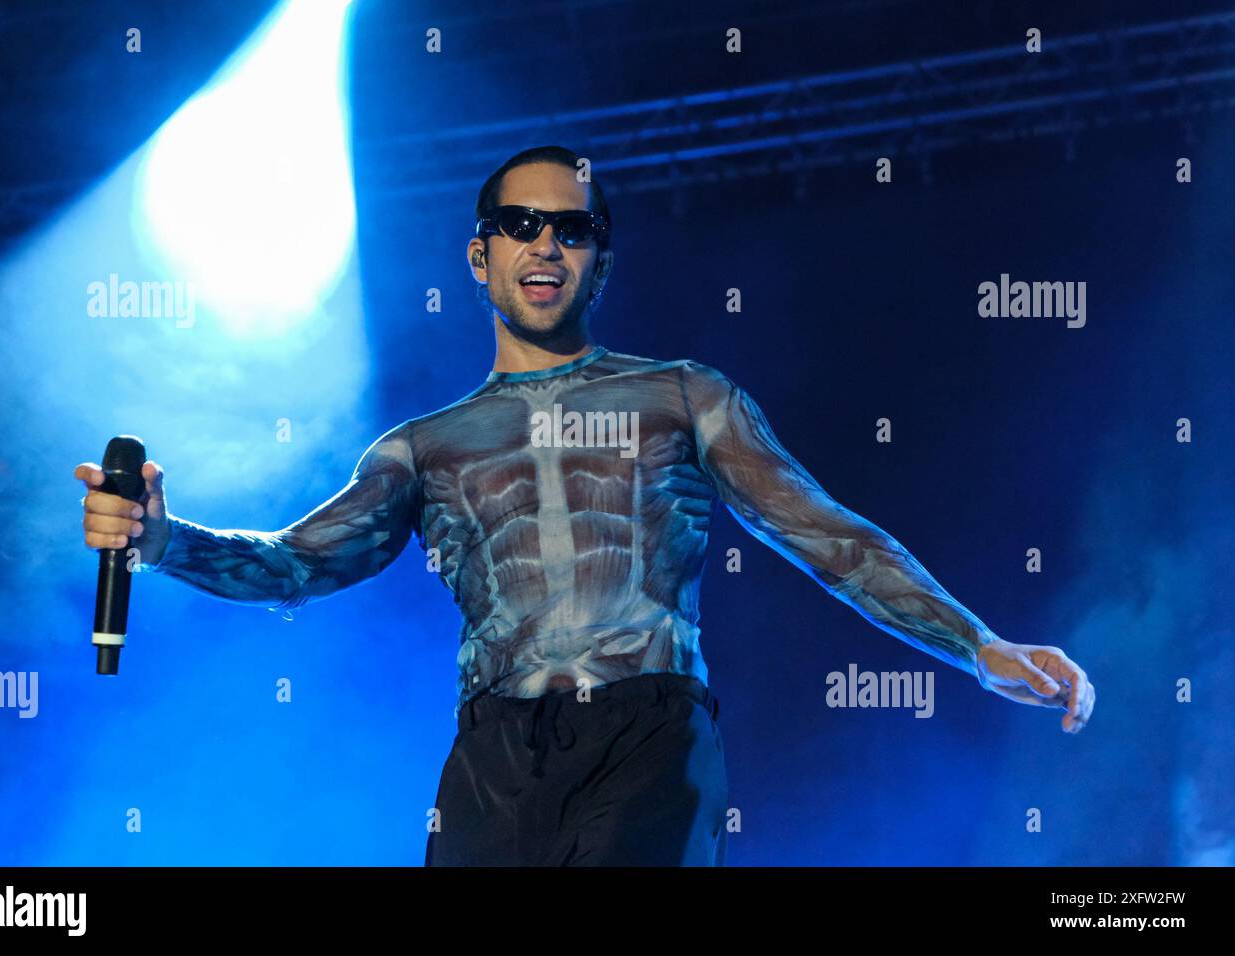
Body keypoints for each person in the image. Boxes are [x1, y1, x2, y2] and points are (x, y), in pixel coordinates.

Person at [74, 144, 1095, 866]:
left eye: (572, 227)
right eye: (520, 224)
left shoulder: (687, 396)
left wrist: (977, 644)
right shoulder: (422, 446)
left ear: (599, 256)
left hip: (647, 734)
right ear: (481, 256)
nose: (546, 244)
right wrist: (164, 537)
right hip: (492, 754)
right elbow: (299, 561)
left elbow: (823, 533)